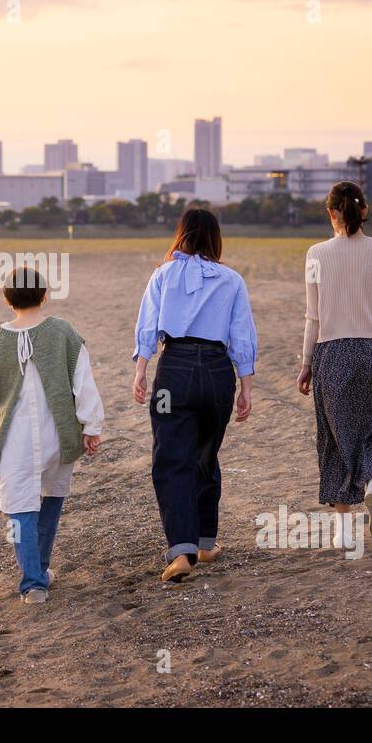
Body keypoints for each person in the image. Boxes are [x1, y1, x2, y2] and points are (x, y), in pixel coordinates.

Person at [133, 208, 256, 582]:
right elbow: (242, 334)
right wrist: (245, 385)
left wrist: (141, 370)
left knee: (171, 457)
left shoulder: (163, 275)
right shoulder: (232, 279)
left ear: (181, 234)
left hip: (174, 375)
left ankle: (182, 552)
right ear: (215, 238)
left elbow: (148, 325)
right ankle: (205, 542)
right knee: (206, 454)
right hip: (218, 376)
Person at [296, 181, 372, 546]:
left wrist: (305, 363)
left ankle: (344, 531)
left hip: (332, 353)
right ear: (363, 211)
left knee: (334, 438)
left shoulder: (316, 254)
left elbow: (312, 317)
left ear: (332, 213)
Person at [0, 266, 104, 604]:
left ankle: (34, 582)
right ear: (45, 294)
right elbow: (83, 384)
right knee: (50, 496)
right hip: (57, 431)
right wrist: (91, 427)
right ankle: (40, 569)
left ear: (7, 299)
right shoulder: (63, 330)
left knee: (21, 505)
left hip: (14, 437)